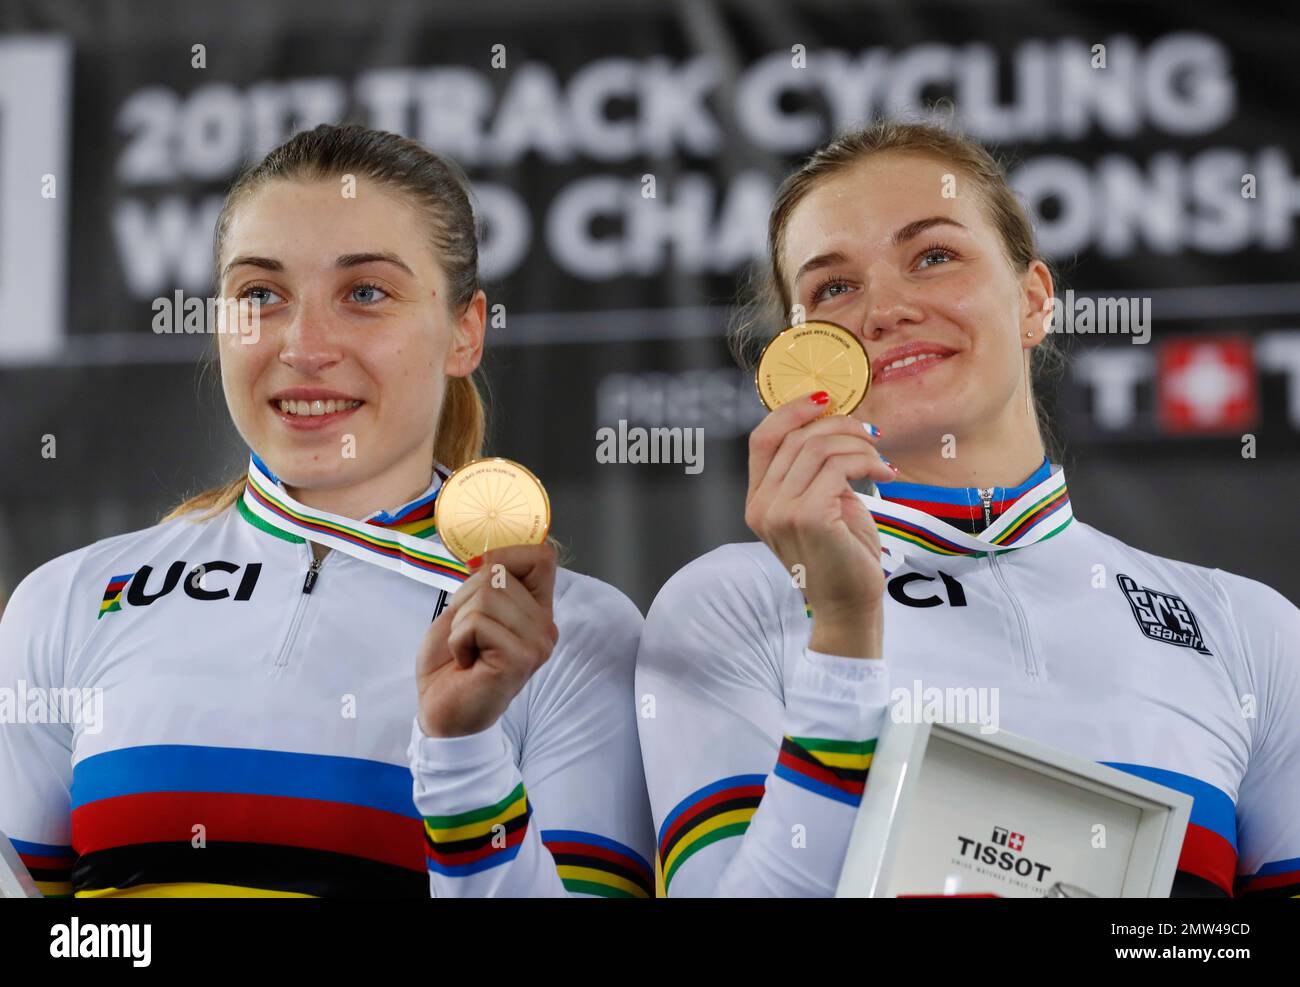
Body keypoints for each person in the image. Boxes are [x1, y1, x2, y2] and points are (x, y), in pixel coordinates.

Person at [636, 120, 1299, 899]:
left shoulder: (1250, 631)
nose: (883, 310)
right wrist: (844, 637)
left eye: (934, 256)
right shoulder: (732, 604)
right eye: (834, 288)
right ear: (798, 359)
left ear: (1034, 299)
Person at [0, 124, 654, 898]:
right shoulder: (69, 601)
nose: (304, 346)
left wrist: (464, 757)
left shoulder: (574, 637)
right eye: (261, 295)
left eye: (366, 293)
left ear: (464, 331)